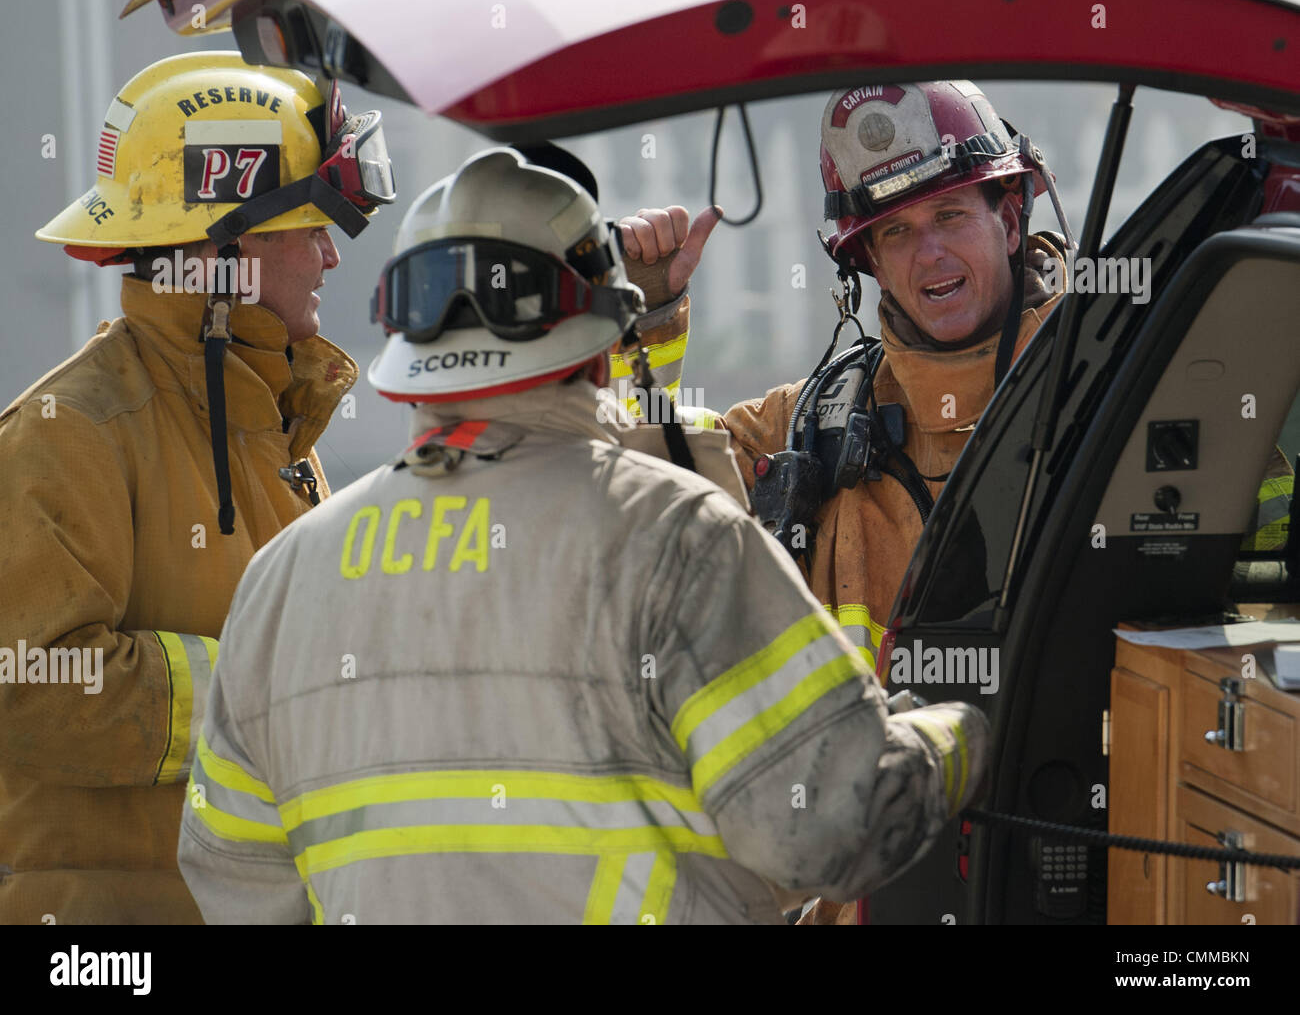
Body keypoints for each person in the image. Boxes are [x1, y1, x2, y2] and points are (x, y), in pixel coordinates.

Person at [176, 147, 989, 924]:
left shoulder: (282, 579)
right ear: (603, 342)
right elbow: (832, 830)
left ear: (410, 343)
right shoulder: (676, 539)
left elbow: (233, 877)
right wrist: (967, 729)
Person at [613, 81, 1072, 922]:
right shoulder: (805, 430)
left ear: (1009, 218)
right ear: (863, 262)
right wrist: (645, 329)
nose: (926, 255)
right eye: (894, 232)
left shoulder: (1116, 397)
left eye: (950, 216)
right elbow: (639, 506)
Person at [0, 51, 394, 923]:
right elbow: (28, 685)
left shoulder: (271, 421)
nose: (330, 257)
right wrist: (272, 692)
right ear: (236, 240)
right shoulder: (72, 432)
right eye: (312, 227)